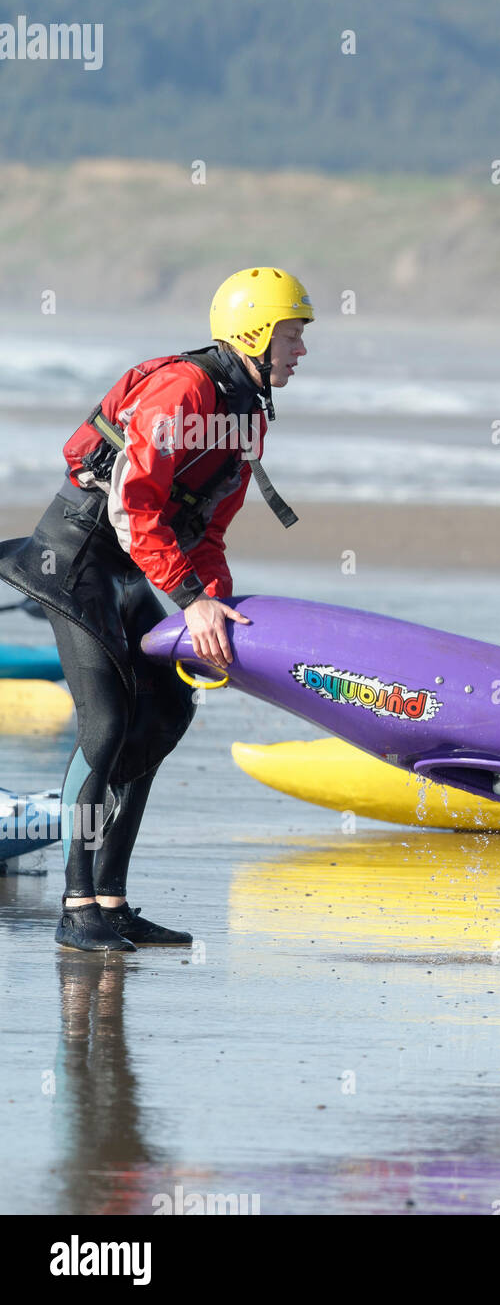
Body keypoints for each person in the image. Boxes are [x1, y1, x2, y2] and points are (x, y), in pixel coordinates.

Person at [0, 268, 312, 950]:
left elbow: (210, 530)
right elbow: (132, 505)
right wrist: (192, 601)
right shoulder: (185, 390)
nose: (301, 350)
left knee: (164, 712)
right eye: (293, 334)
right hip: (77, 557)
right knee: (106, 723)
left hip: (137, 564)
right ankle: (76, 908)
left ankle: (110, 900)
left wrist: (216, 613)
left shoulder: (247, 409)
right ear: (255, 333)